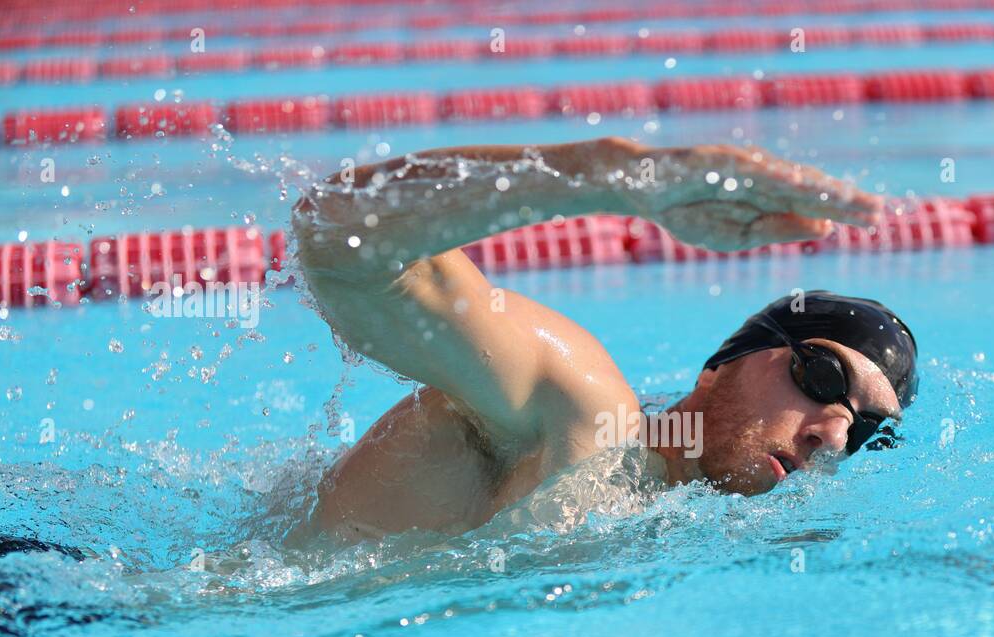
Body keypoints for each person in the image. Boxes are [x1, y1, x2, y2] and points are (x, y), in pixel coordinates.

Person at [290, 137, 919, 541]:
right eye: (824, 379)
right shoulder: (584, 413)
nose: (833, 437)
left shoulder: (667, 515)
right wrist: (612, 179)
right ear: (725, 362)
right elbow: (341, 240)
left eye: (863, 430)